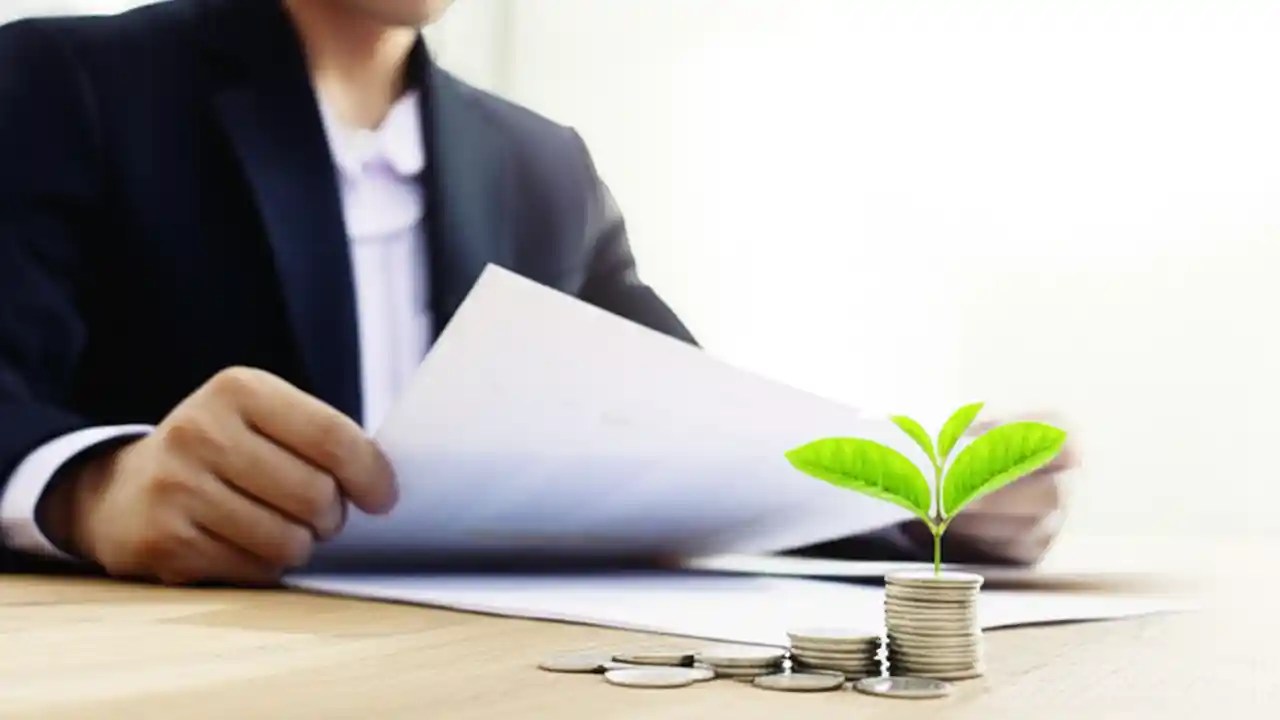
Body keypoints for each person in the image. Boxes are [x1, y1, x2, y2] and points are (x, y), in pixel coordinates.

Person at [0, 0, 1070, 583]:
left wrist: (914, 500)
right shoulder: (64, 81)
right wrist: (93, 488)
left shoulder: (538, 162)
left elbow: (686, 434)